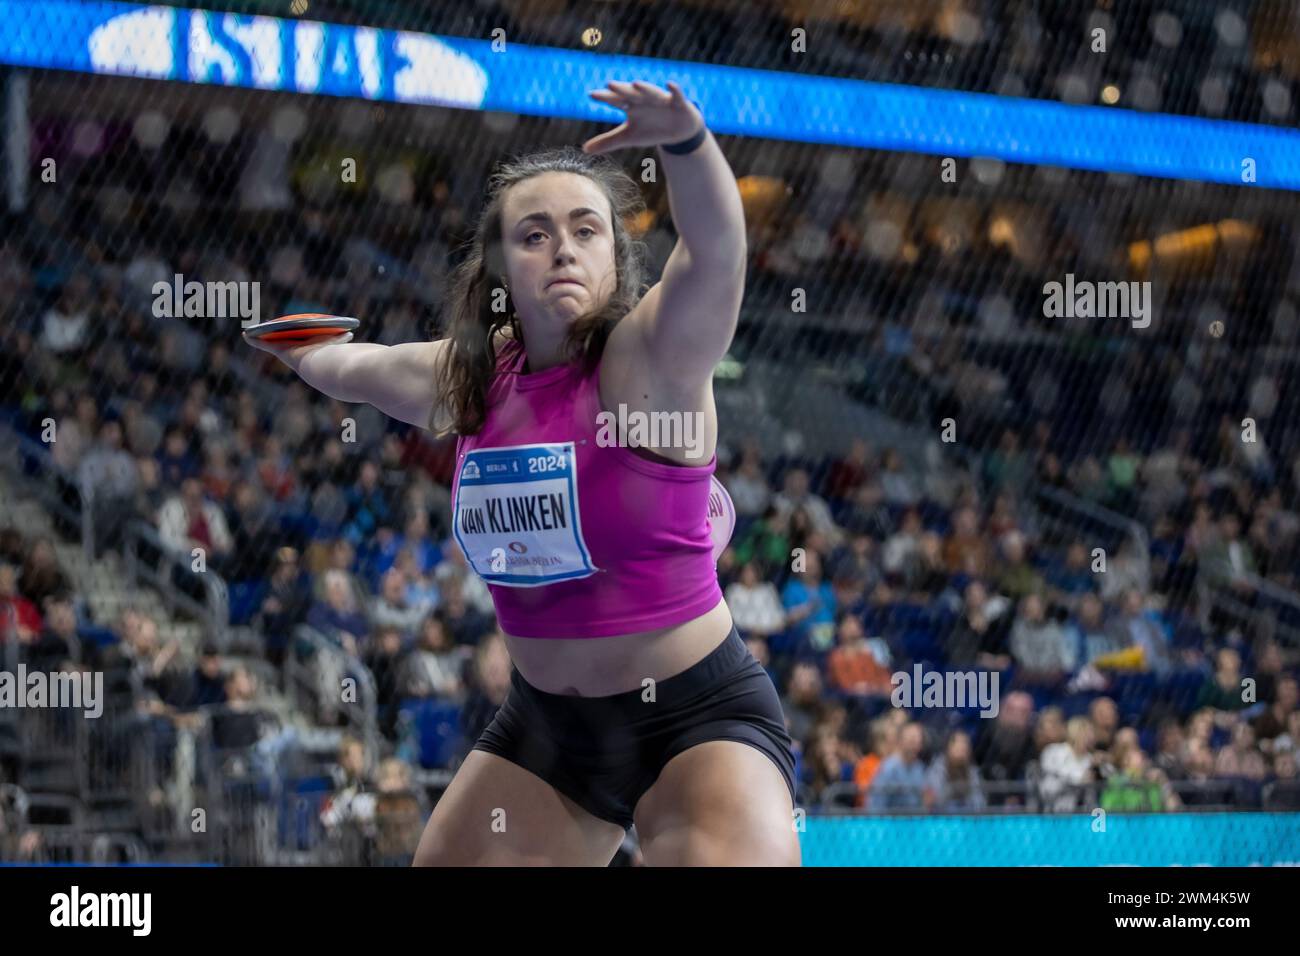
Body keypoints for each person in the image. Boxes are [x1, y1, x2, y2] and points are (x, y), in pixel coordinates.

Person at [245, 80, 798, 866]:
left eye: (585, 230)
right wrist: (295, 346)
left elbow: (715, 255)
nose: (563, 247)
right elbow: (359, 369)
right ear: (501, 266)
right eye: (534, 235)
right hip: (550, 736)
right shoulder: (473, 380)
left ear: (615, 254)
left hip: (694, 718)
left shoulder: (650, 361)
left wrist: (686, 142)